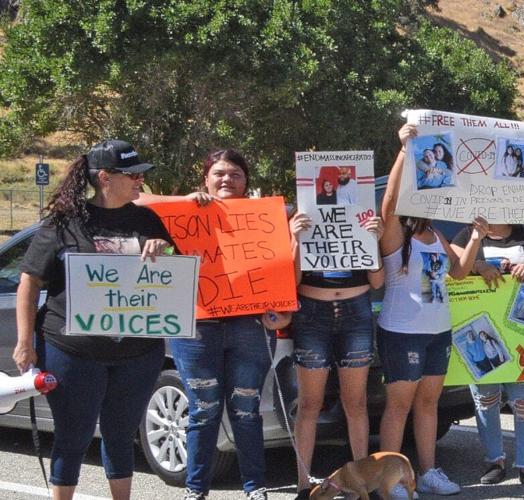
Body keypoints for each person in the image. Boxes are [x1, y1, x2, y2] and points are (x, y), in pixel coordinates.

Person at [13, 140, 173, 500]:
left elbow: (174, 277)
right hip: (72, 350)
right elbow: (29, 282)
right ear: (105, 177)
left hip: (138, 352)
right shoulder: (64, 224)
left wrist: (166, 249)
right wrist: (24, 342)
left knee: (120, 436)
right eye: (131, 175)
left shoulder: (147, 220)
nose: (139, 182)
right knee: (73, 436)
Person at [131, 149, 294, 500]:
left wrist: (283, 308)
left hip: (250, 327)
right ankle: (196, 489)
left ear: (246, 180)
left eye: (235, 174)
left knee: (246, 410)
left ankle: (255, 487)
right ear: (205, 178)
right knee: (203, 411)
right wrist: (164, 236)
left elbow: (280, 269)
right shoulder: (184, 213)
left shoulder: (263, 218)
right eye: (219, 173)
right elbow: (136, 201)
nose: (227, 180)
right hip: (198, 328)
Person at [378, 124, 496, 498]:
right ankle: (390, 478)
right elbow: (390, 200)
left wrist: (476, 236)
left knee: (429, 403)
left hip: (437, 330)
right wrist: (403, 150)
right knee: (399, 406)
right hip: (402, 330)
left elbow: (459, 270)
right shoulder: (397, 232)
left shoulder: (436, 233)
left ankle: (427, 471)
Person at [288, 171, 387, 497]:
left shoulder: (365, 220)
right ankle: (304, 484)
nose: (332, 191)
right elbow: (290, 280)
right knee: (310, 404)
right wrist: (295, 239)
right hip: (312, 316)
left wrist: (373, 240)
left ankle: (363, 484)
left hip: (355, 313)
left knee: (355, 403)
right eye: (324, 186)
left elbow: (376, 282)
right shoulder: (300, 219)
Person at [451, 212, 524, 488]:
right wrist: (479, 266)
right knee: (486, 401)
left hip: (522, 334)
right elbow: (454, 271)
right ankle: (494, 460)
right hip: (481, 330)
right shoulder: (466, 235)